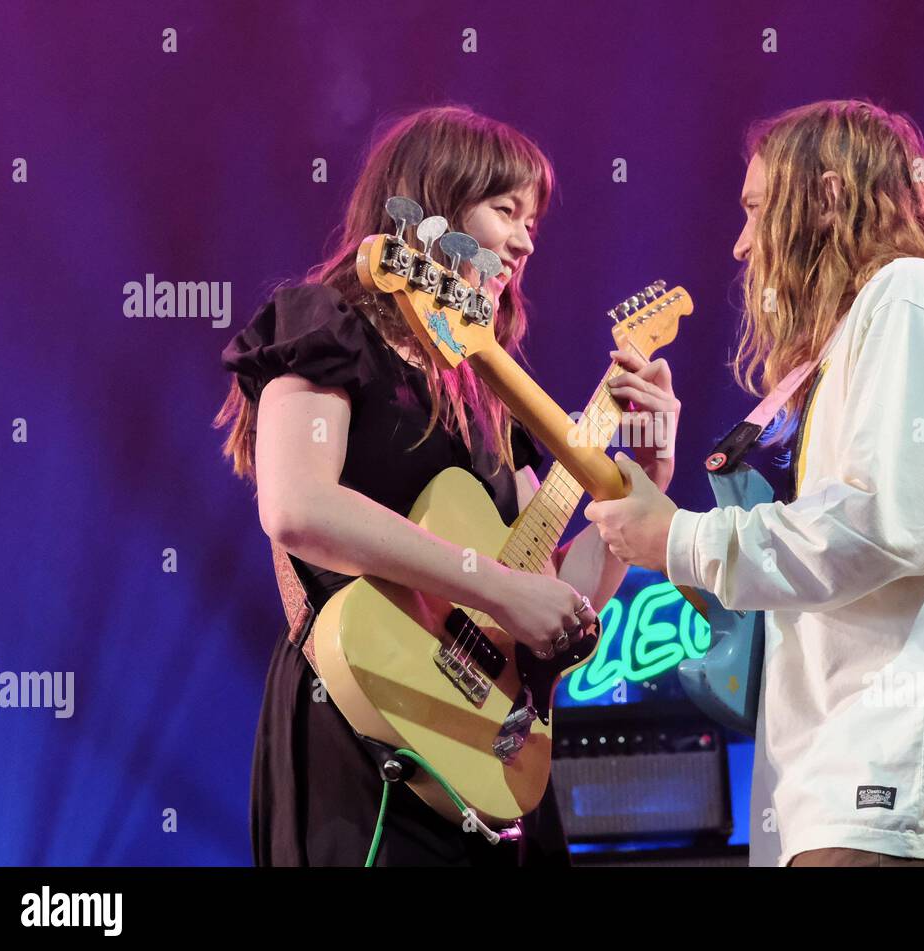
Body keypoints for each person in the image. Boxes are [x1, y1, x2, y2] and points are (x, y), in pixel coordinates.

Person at [585, 99, 924, 867]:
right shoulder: (871, 327)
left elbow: (884, 525)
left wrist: (681, 537)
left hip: (907, 801)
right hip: (860, 797)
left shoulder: (912, 295)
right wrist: (665, 509)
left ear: (827, 197)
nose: (742, 243)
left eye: (758, 210)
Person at [213, 105, 679, 866]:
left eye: (534, 220)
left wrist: (647, 481)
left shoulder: (492, 391)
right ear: (436, 207)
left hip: (490, 743)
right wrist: (497, 587)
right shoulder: (327, 323)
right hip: (368, 717)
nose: (528, 240)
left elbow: (558, 599)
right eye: (506, 211)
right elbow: (296, 506)